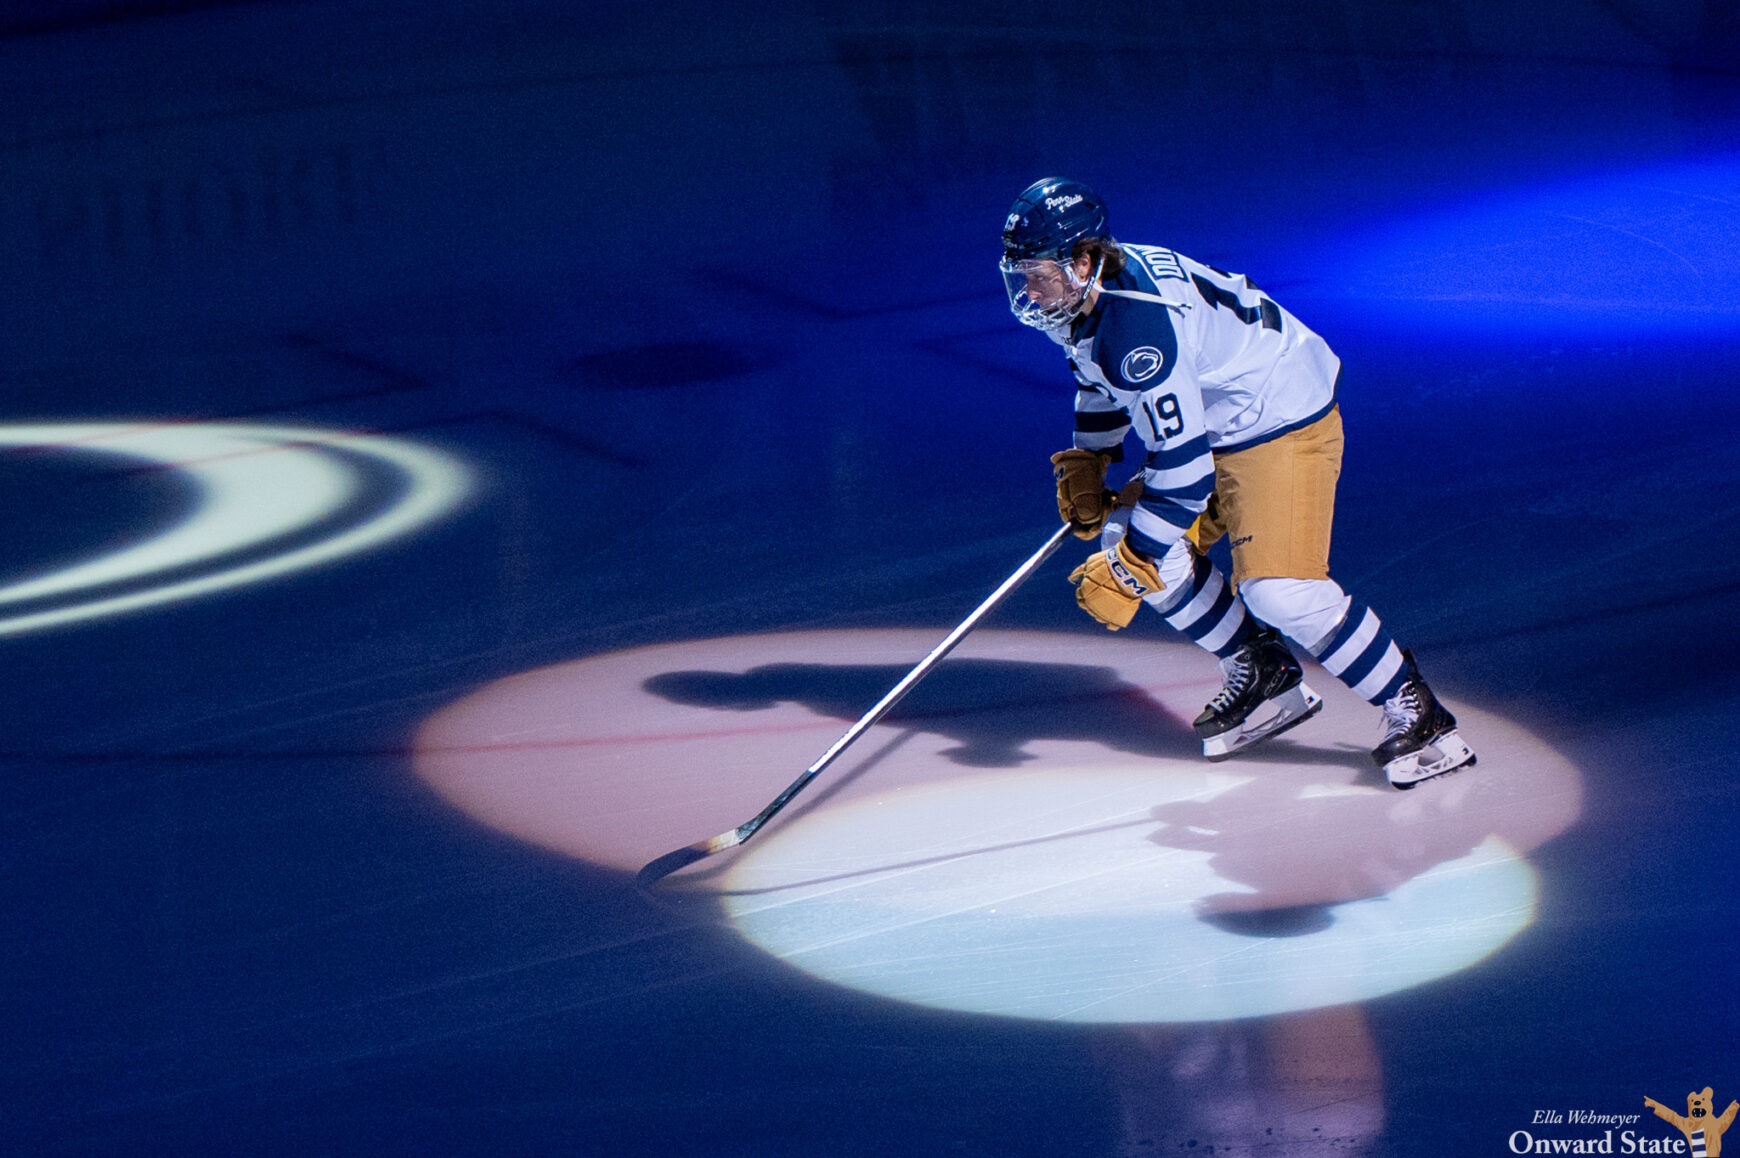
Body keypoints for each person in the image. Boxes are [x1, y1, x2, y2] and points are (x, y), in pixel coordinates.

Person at [999, 176, 1475, 788]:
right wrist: (1091, 459)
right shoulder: (1091, 296)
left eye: (1037, 272)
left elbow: (1185, 473)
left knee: (1277, 589)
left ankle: (1418, 711)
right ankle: (1260, 668)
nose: (1029, 292)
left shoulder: (1136, 332)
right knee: (1125, 531)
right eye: (1020, 275)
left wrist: (1129, 567)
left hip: (1277, 416)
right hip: (1219, 418)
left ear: (1084, 260)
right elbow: (1097, 380)